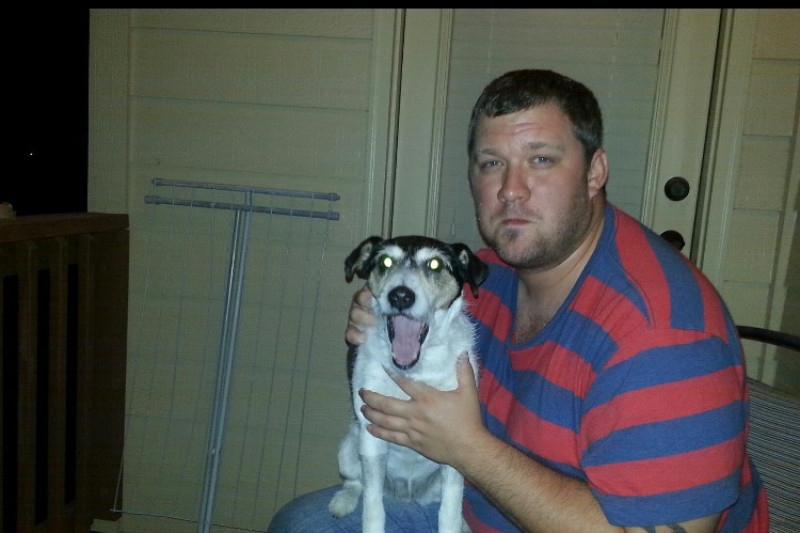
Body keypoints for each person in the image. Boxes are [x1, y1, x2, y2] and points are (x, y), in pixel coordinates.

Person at [268, 69, 768, 533]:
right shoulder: (491, 277)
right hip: (472, 506)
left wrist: (467, 448)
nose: (511, 190)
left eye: (541, 160)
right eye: (492, 164)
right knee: (303, 523)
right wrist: (379, 319)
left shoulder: (664, 337)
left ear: (595, 172)